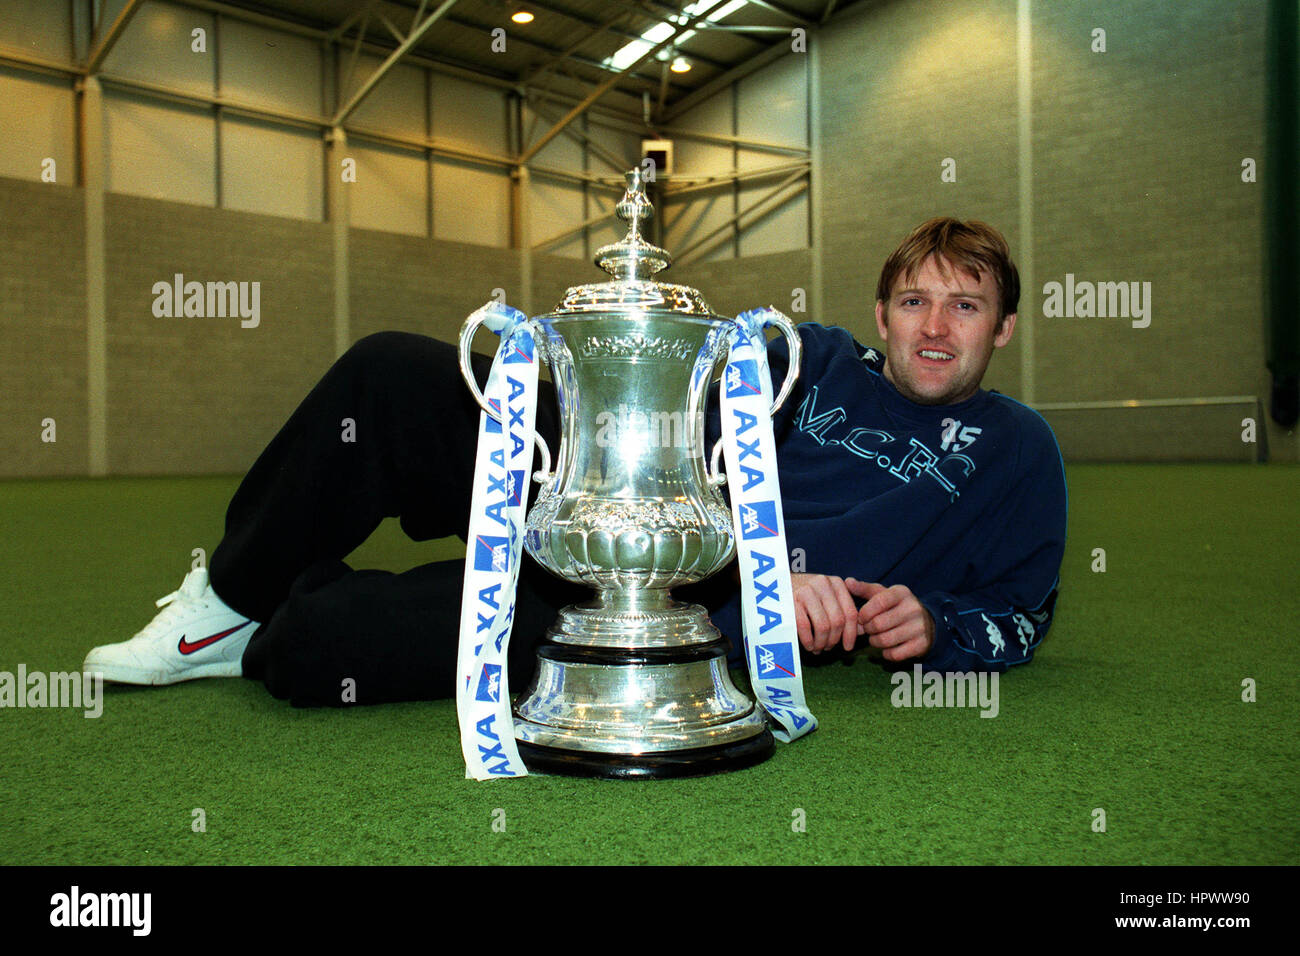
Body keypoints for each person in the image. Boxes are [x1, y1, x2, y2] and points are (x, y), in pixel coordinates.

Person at [83, 217, 1066, 707]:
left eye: (965, 304)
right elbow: (672, 381)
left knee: (314, 649)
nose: (933, 327)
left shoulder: (1016, 450)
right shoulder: (811, 353)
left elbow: (1020, 613)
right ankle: (223, 599)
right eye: (913, 301)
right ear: (884, 311)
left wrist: (938, 623)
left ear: (1004, 326)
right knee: (388, 372)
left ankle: (287, 608)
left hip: (648, 619)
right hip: (602, 486)